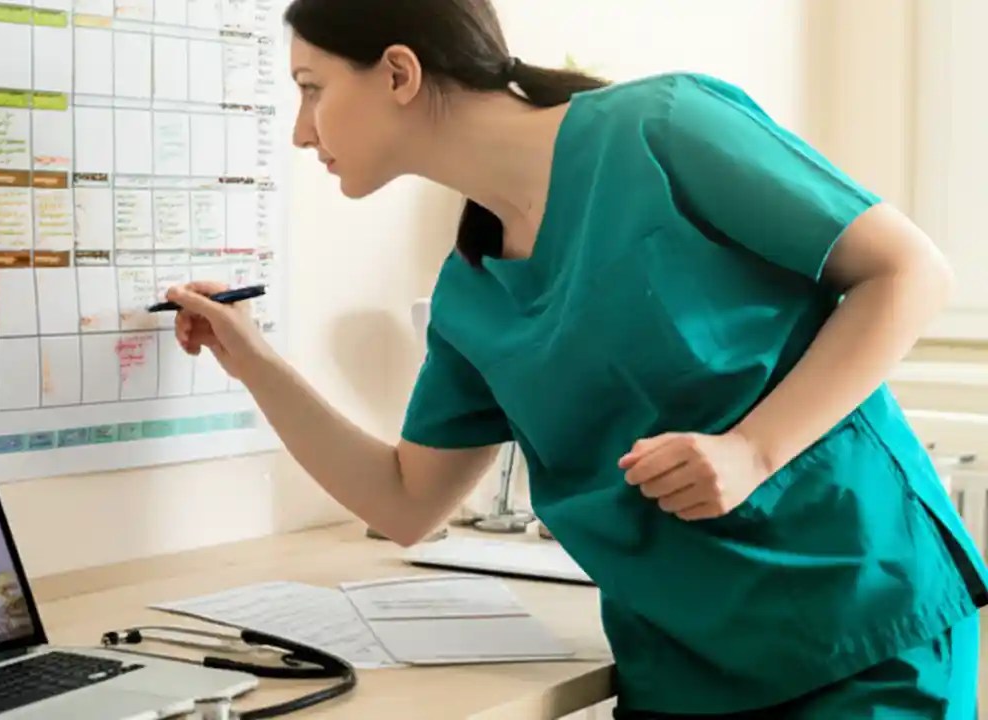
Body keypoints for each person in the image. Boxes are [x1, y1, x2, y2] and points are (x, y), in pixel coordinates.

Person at [163, 1, 987, 717]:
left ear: (399, 73)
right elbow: (406, 500)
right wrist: (252, 359)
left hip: (858, 619)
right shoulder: (472, 291)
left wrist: (751, 450)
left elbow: (908, 272)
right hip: (683, 666)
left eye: (311, 88)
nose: (300, 130)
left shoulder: (662, 127)